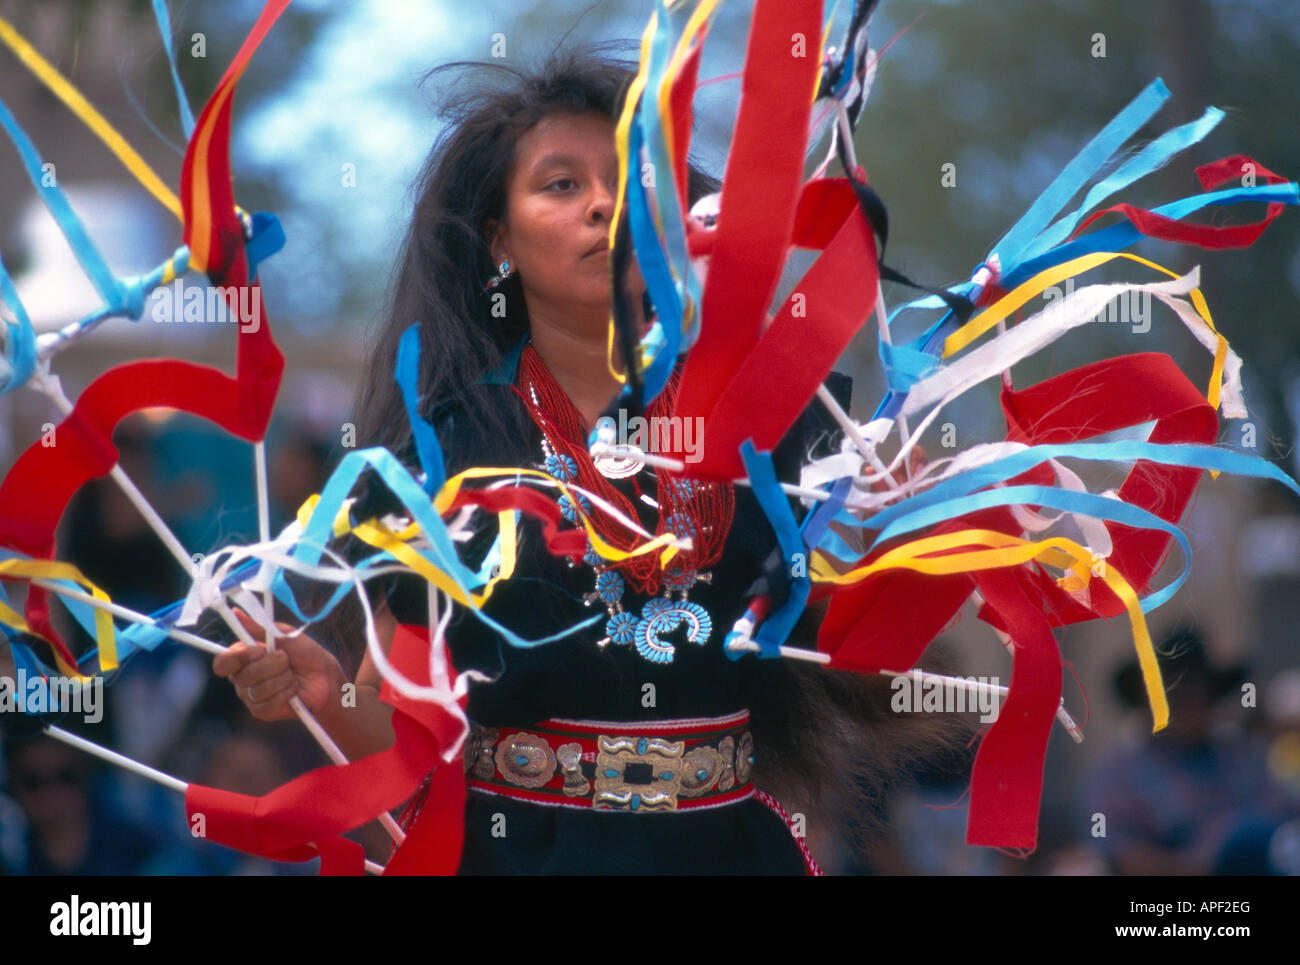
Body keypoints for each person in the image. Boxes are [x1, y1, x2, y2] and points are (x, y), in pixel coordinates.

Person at [213, 46, 963, 874]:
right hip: (522, 850)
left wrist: (912, 545)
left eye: (634, 182)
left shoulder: (784, 418)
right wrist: (326, 690)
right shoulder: (445, 450)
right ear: (500, 241)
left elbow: (864, 674)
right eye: (561, 184)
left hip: (726, 851)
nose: (604, 206)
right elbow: (401, 731)